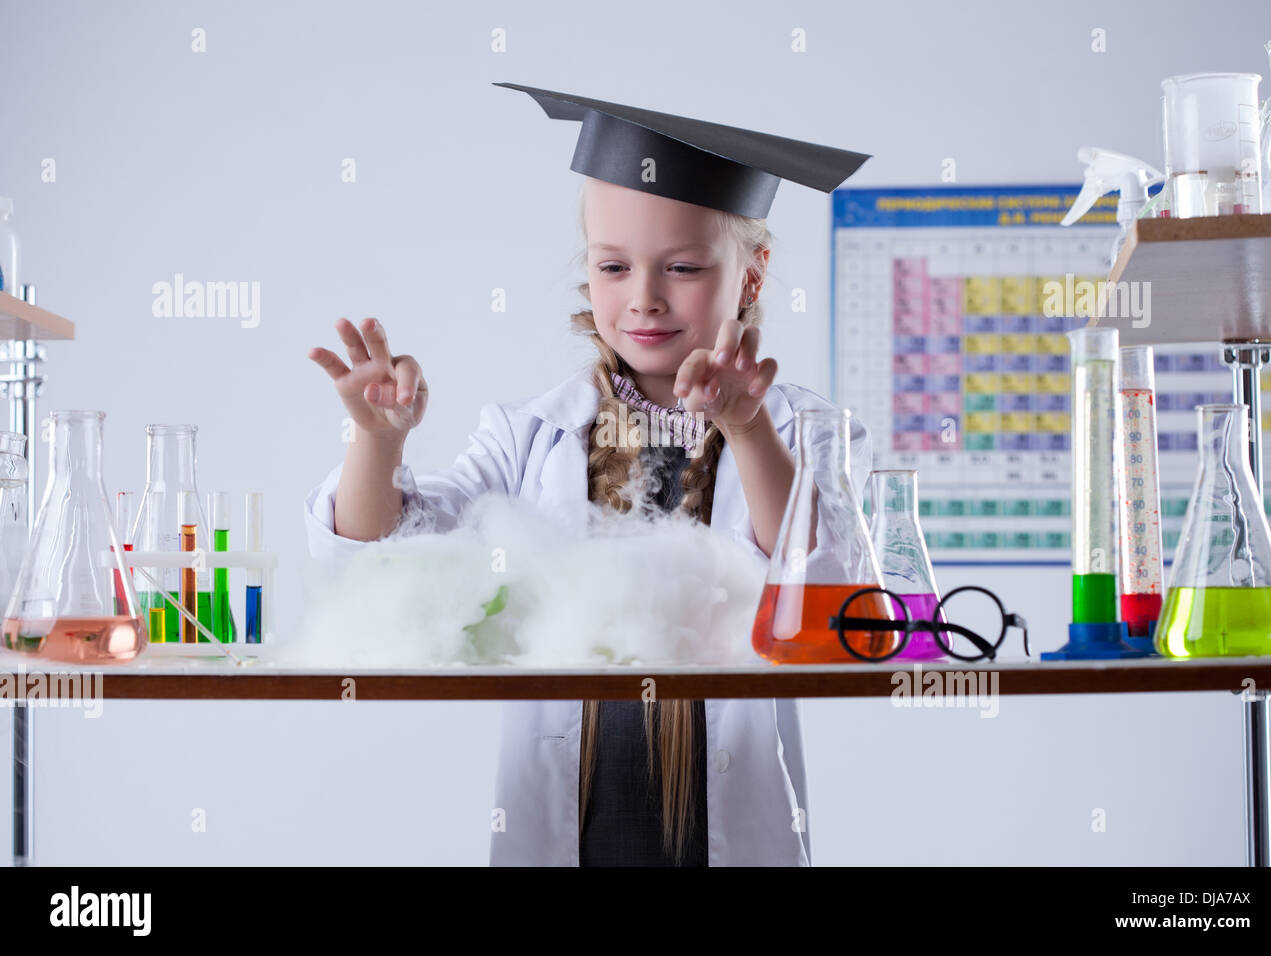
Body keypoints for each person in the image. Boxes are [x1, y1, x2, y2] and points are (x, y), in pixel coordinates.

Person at [304, 83, 872, 866]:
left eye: (681, 266)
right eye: (612, 266)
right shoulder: (528, 435)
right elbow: (385, 566)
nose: (642, 298)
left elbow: (834, 597)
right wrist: (376, 444)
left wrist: (746, 428)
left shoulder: (805, 432)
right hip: (569, 830)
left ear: (753, 273)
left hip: (732, 837)